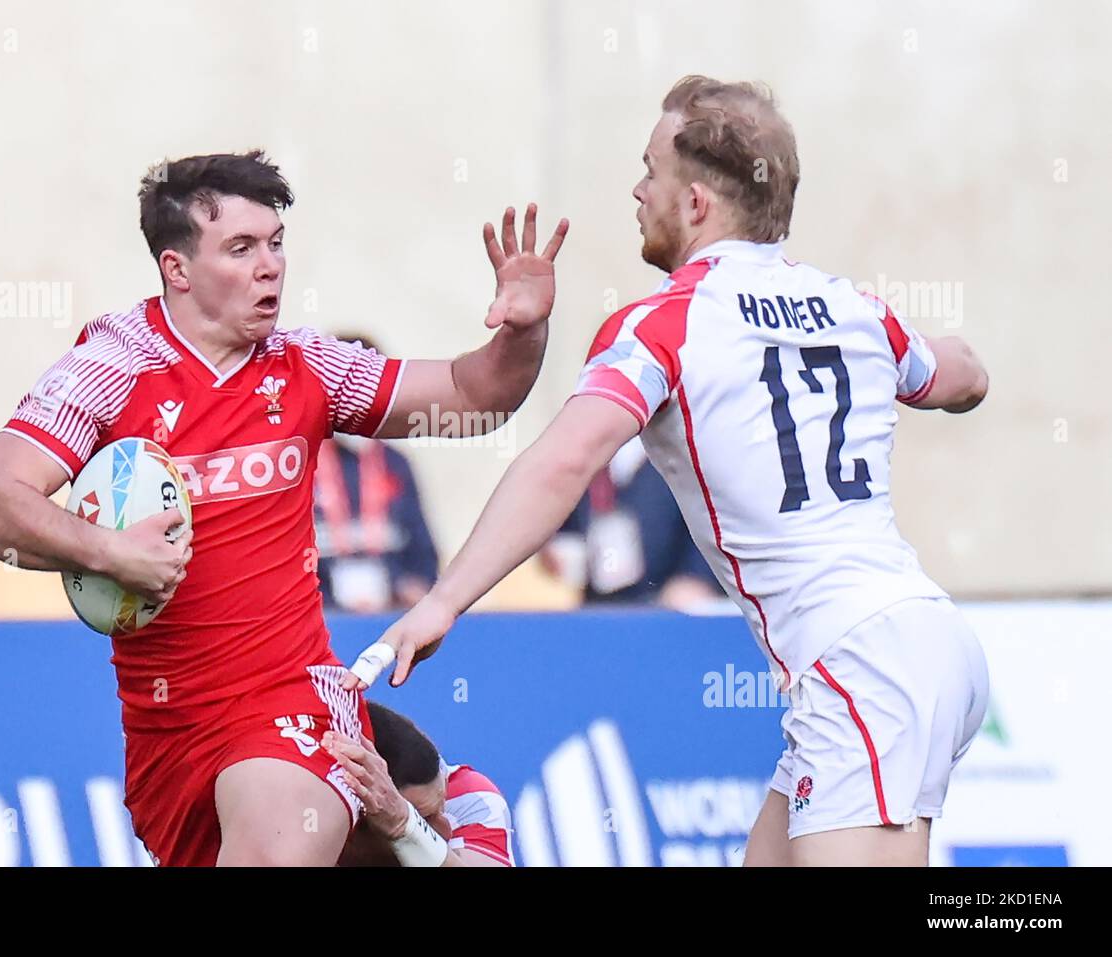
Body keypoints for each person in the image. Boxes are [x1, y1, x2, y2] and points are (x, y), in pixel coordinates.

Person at [345, 76, 991, 868]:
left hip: (857, 659)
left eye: (651, 169)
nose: (637, 188)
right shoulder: (855, 309)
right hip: (910, 642)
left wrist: (445, 602)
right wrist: (923, 348)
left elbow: (562, 460)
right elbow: (963, 377)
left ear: (694, 204)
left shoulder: (663, 323)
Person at [0, 151, 567, 866]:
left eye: (276, 243)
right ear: (176, 268)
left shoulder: (308, 364)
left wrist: (521, 334)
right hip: (167, 737)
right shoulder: (114, 365)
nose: (270, 265)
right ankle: (444, 811)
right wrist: (108, 550)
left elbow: (474, 395)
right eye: (241, 248)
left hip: (293, 707)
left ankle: (445, 805)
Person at [314, 333, 439, 613]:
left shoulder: (395, 464)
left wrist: (410, 586)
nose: (357, 401)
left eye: (367, 389)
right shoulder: (300, 462)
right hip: (321, 617)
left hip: (391, 613)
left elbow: (423, 550)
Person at [542, 435, 721, 609]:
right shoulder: (586, 456)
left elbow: (712, 516)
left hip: (671, 601)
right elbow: (568, 525)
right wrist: (555, 550)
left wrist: (699, 577)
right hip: (600, 603)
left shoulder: (685, 451)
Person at [329, 702, 513, 867]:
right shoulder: (313, 817)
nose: (447, 831)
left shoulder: (466, 795)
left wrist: (403, 825)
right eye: (421, 819)